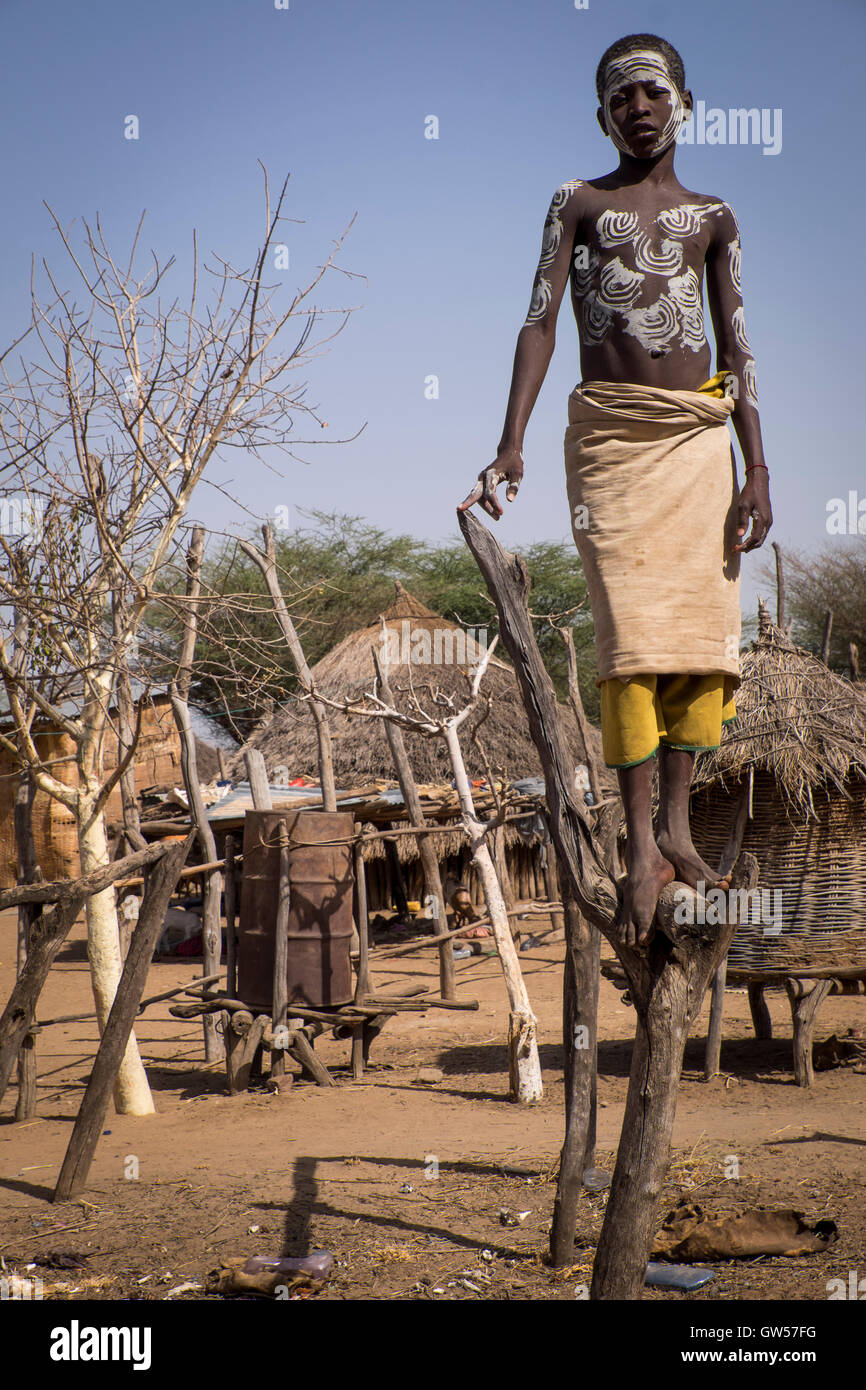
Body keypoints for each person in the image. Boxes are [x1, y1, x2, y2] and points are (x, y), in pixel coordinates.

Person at [459, 32, 773, 946]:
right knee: (630, 638)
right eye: (620, 97)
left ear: (682, 104)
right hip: (612, 445)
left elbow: (739, 345)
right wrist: (510, 439)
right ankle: (639, 842)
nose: (638, 107)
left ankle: (678, 824)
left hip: (695, 445)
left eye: (651, 91)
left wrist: (757, 466)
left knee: (699, 647)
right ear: (602, 115)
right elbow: (539, 319)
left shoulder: (715, 215)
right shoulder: (577, 203)